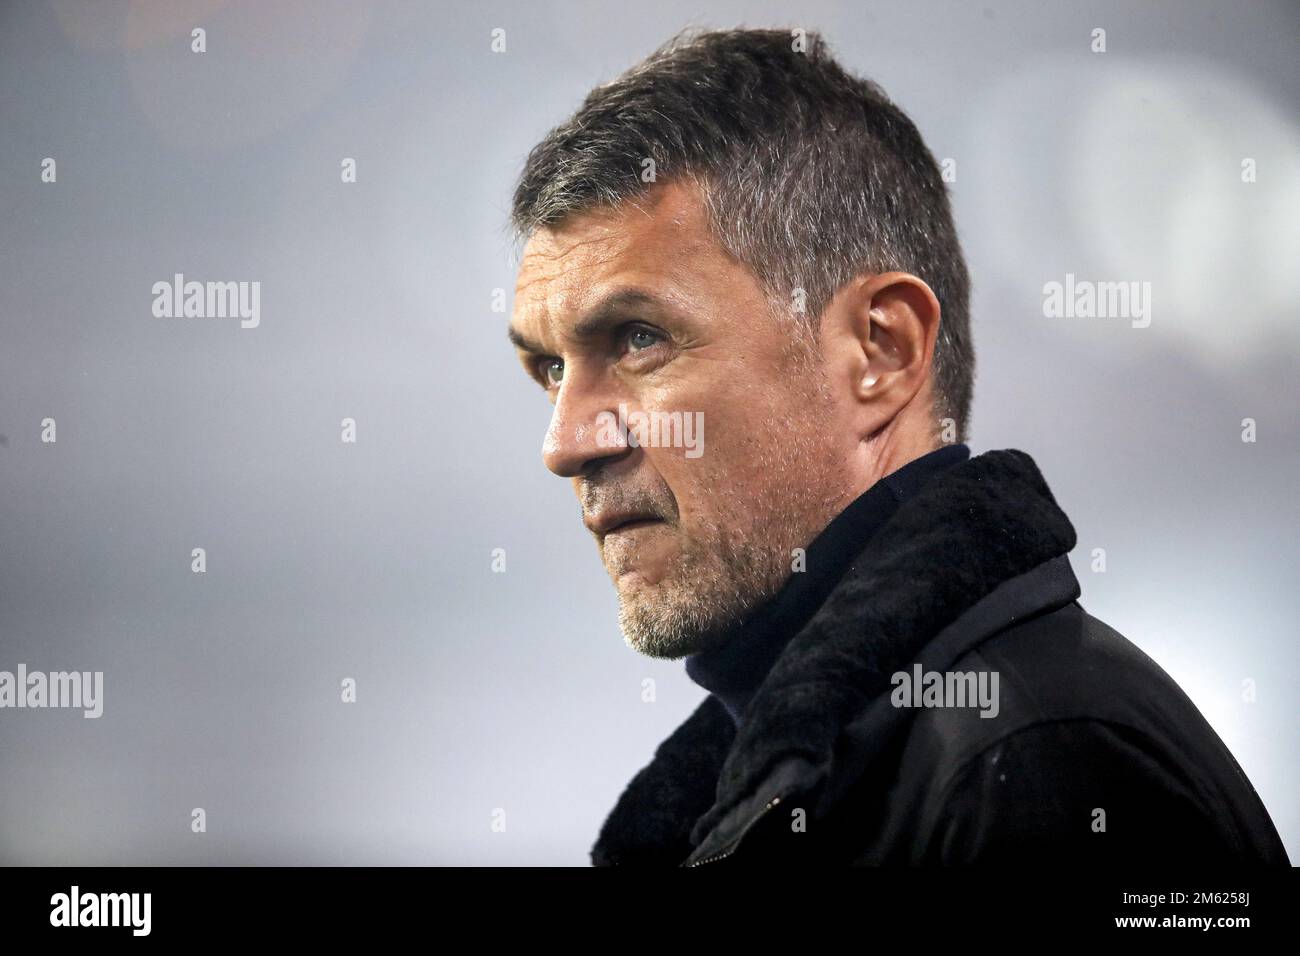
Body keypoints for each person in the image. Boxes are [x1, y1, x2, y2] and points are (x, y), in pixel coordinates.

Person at [504, 27, 1289, 866]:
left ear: (883, 350)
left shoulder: (1044, 765)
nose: (565, 443)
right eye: (550, 366)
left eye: (637, 339)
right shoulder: (820, 772)